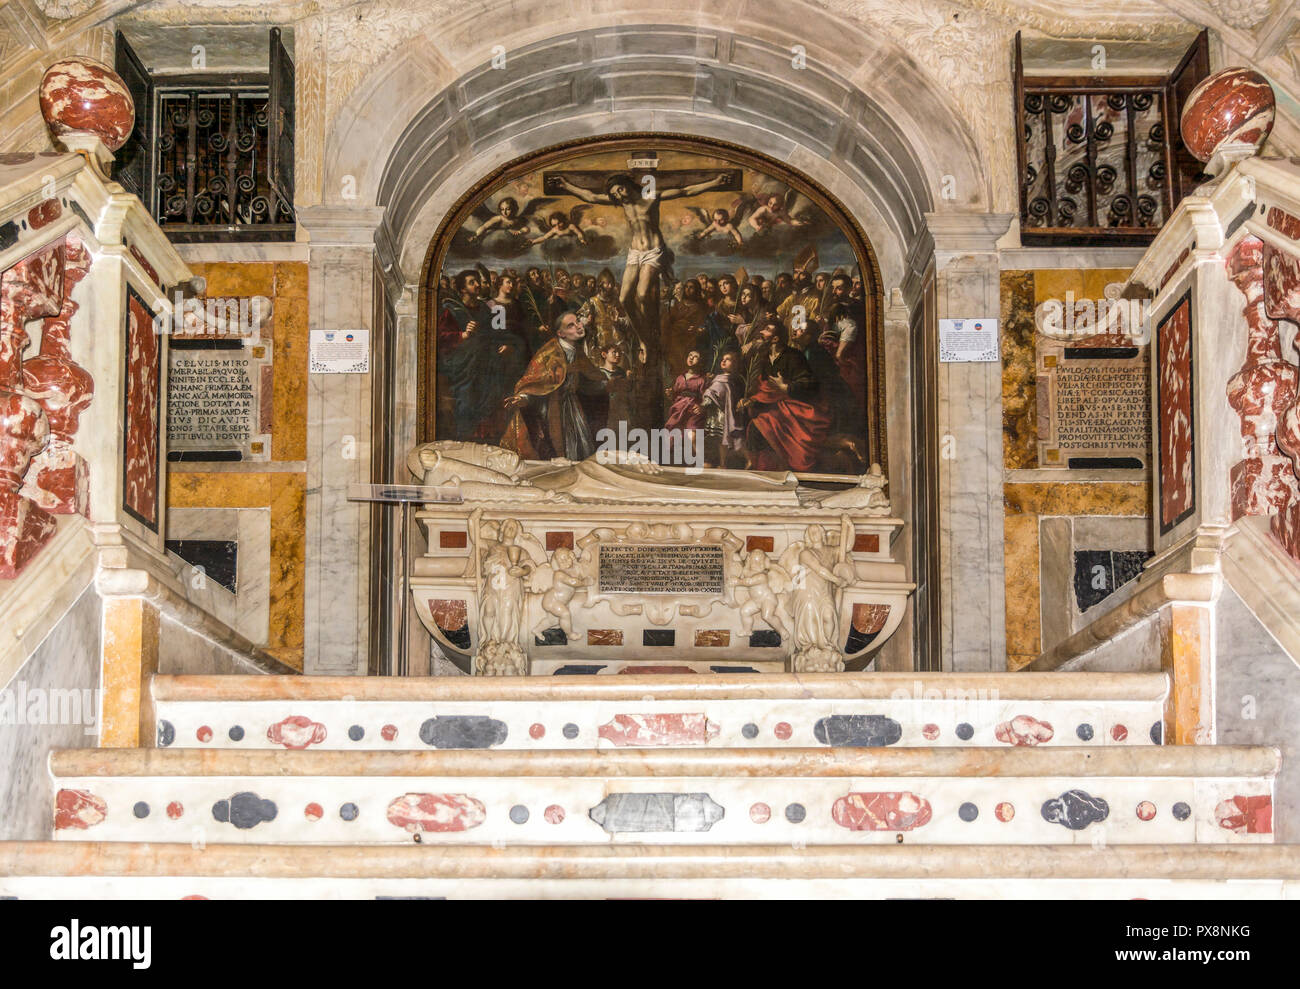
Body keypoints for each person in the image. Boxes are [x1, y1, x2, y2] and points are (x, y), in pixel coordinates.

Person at [501, 310, 610, 461]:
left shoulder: (578, 352)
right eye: (571, 325)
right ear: (561, 333)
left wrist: (606, 384)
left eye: (578, 322)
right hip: (551, 410)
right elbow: (535, 382)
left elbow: (590, 379)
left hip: (573, 408)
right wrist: (523, 397)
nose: (578, 326)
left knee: (581, 451)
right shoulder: (549, 353)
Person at [739, 321, 829, 472]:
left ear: (775, 339)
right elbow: (763, 386)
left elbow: (809, 383)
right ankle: (760, 464)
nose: (762, 332)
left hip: (795, 404)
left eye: (767, 329)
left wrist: (785, 387)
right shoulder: (764, 358)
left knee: (761, 425)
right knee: (751, 417)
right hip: (772, 402)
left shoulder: (794, 356)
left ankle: (767, 466)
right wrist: (750, 398)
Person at [700, 348, 745, 467]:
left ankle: (725, 463)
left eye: (728, 359)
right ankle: (718, 462)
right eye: (723, 359)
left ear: (735, 364)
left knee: (727, 439)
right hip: (717, 413)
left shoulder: (734, 379)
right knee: (718, 439)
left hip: (726, 414)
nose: (723, 361)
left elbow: (715, 393)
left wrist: (705, 403)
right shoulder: (718, 377)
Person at [437, 269, 492, 357]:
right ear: (463, 289)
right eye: (472, 283)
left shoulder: (485, 308)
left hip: (483, 354)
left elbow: (491, 333)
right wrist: (463, 335)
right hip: (460, 358)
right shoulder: (452, 309)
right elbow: (440, 337)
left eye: (478, 281)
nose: (478, 285)